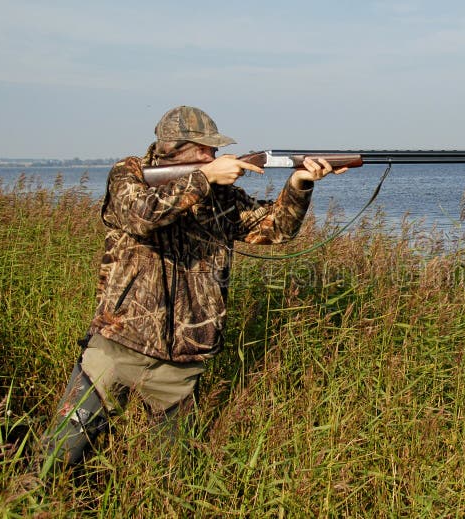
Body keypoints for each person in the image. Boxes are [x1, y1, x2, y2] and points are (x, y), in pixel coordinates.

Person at [42, 105, 345, 468]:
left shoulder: (221, 196)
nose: (213, 155)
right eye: (205, 149)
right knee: (56, 457)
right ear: (173, 147)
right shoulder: (131, 174)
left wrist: (299, 183)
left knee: (170, 474)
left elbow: (274, 229)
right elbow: (140, 215)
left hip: (183, 362)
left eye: (214, 150)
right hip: (117, 347)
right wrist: (203, 178)